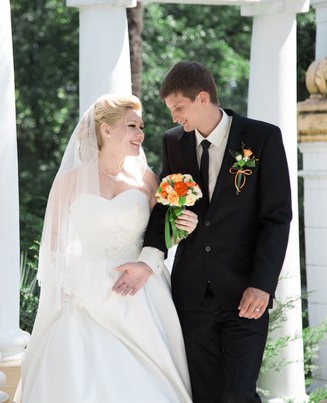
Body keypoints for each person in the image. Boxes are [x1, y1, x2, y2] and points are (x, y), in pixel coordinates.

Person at [115, 61, 292, 401]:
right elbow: (165, 207)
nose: (174, 117)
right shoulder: (174, 142)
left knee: (239, 394)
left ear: (202, 98)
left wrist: (262, 284)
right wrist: (148, 261)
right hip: (192, 293)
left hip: (245, 292)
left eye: (178, 107)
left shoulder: (262, 137)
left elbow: (276, 218)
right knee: (203, 394)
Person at [20, 94, 196, 403]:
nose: (140, 134)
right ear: (106, 129)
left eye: (141, 127)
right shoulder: (69, 181)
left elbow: (160, 236)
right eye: (132, 126)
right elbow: (54, 239)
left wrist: (182, 228)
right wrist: (64, 283)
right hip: (85, 293)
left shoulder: (148, 180)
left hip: (142, 292)